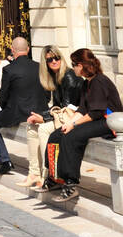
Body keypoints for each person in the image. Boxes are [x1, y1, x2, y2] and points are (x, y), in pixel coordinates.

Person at [44, 49, 123, 202]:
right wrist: (68, 123)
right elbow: (82, 109)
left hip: (109, 122)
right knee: (56, 135)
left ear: (81, 66)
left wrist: (73, 125)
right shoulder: (87, 83)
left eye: (74, 65)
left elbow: (96, 112)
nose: (73, 68)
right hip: (96, 119)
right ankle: (54, 177)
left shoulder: (99, 81)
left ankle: (71, 183)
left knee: (71, 137)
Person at [19, 45, 83, 188]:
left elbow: (65, 109)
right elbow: (56, 106)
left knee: (43, 129)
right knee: (31, 127)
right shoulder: (54, 77)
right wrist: (41, 116)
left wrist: (44, 117)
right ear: (45, 62)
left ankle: (47, 175)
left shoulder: (68, 76)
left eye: (57, 58)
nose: (54, 61)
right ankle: (34, 173)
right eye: (49, 59)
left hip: (74, 119)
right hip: (64, 117)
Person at [0, 37, 44, 176]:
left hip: (17, 112)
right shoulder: (39, 66)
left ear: (12, 50)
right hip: (38, 110)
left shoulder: (9, 69)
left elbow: (2, 97)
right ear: (28, 49)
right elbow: (46, 92)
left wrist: (7, 108)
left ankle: (5, 161)